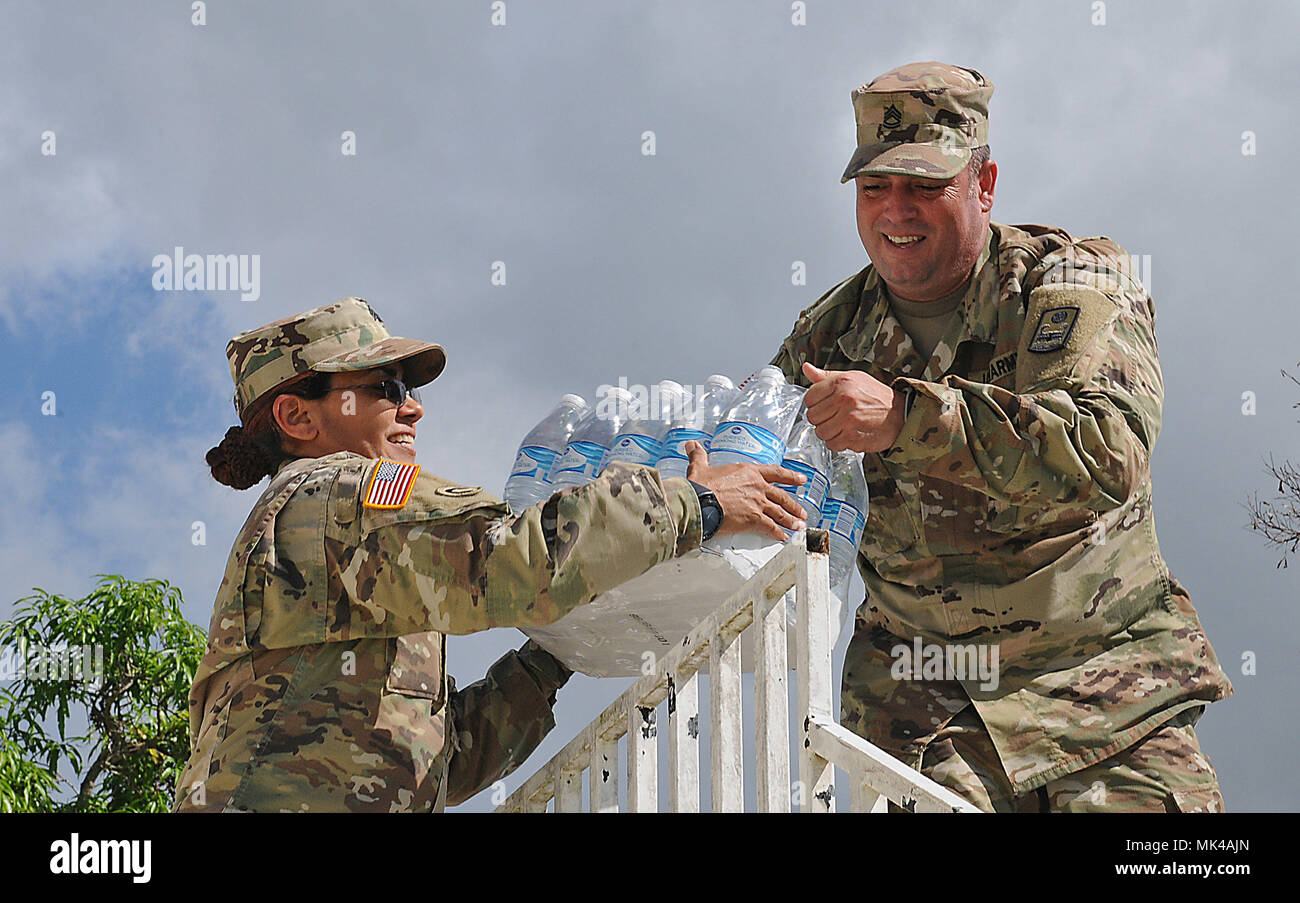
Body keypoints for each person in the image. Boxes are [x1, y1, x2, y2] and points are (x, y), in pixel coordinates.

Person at [771, 62, 1233, 812]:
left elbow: (1103, 448)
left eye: (926, 186)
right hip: (931, 715)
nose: (897, 210)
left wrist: (905, 419)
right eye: (874, 187)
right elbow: (761, 486)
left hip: (1107, 696)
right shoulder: (826, 340)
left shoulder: (1072, 282)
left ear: (983, 186)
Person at [175, 297, 807, 812]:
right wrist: (694, 504)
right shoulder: (332, 496)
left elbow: (440, 763)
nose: (412, 406)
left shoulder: (336, 535)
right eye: (385, 387)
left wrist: (559, 653)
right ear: (298, 416)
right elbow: (502, 565)